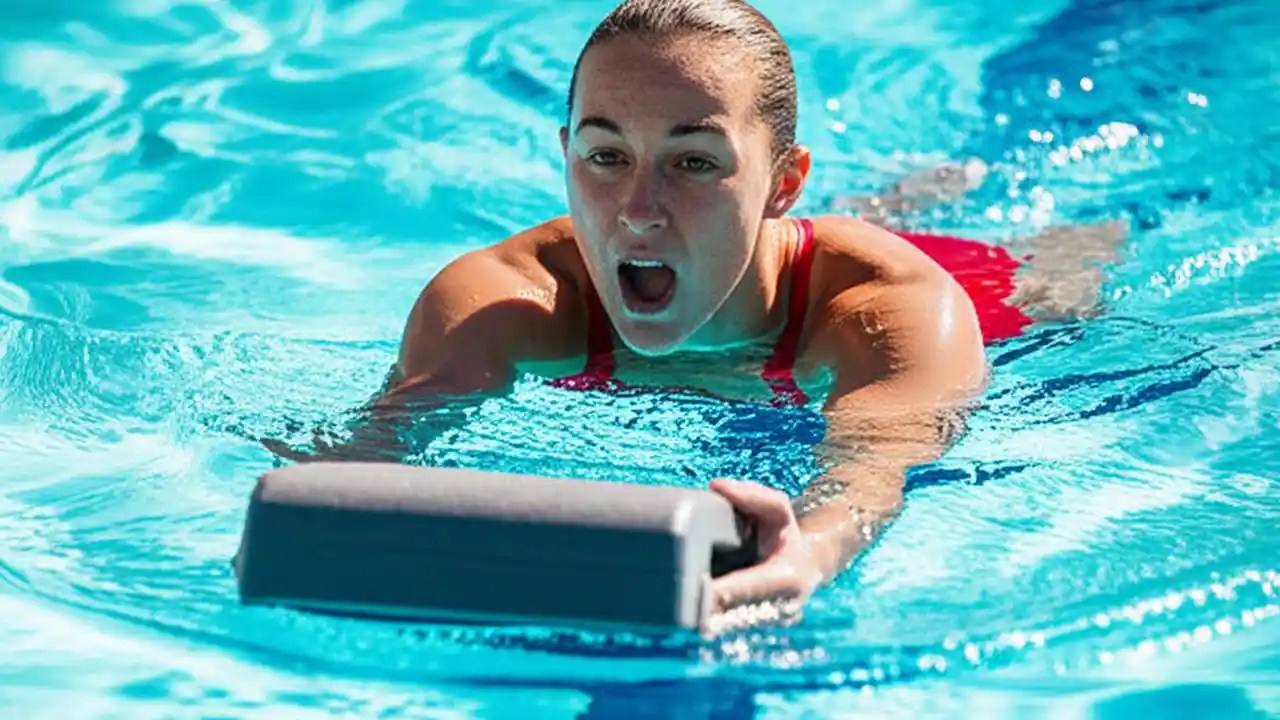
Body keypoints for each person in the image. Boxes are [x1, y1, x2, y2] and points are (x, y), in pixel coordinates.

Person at [268, 0, 1123, 633]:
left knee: (1075, 274)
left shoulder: (890, 311)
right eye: (605, 155)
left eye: (694, 162)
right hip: (751, 259)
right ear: (563, 155)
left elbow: (872, 473)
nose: (637, 208)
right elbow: (373, 449)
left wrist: (811, 552)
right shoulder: (510, 301)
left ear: (785, 182)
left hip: (995, 286)